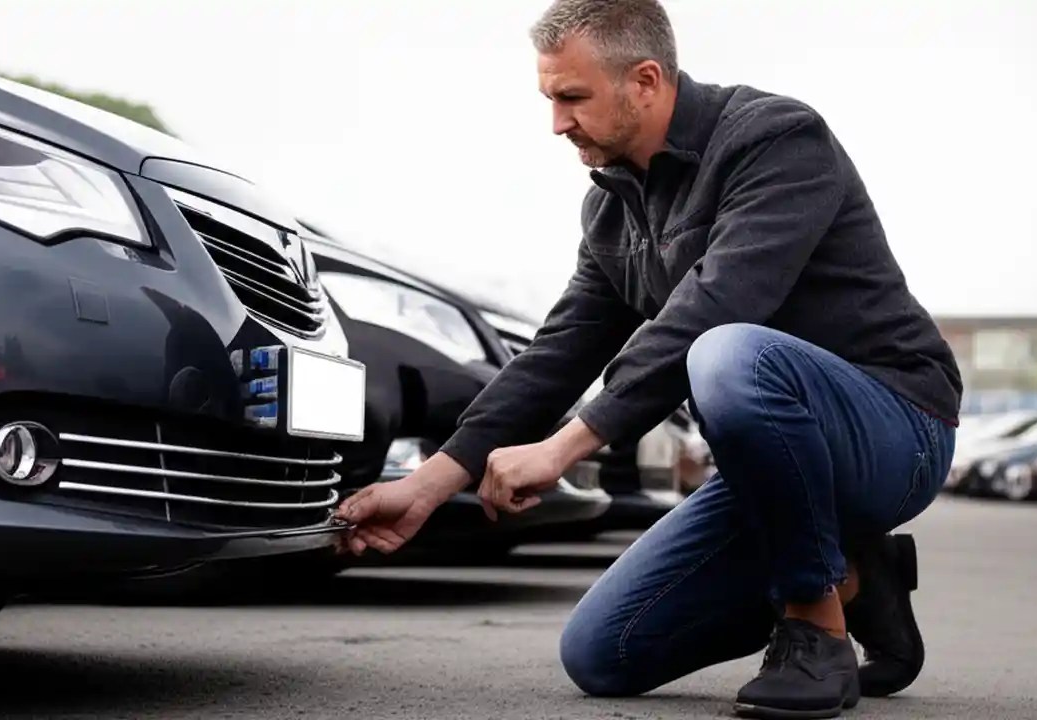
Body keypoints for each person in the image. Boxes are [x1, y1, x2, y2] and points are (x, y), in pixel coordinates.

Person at [333, 0, 961, 717]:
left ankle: (815, 629)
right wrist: (429, 484)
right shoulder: (611, 211)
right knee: (603, 653)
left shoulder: (777, 139)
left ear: (645, 80)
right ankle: (854, 574)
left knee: (727, 353)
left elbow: (721, 304)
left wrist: (565, 447)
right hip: (776, 471)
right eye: (550, 99)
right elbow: (555, 355)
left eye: (573, 97)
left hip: (895, 430)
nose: (557, 123)